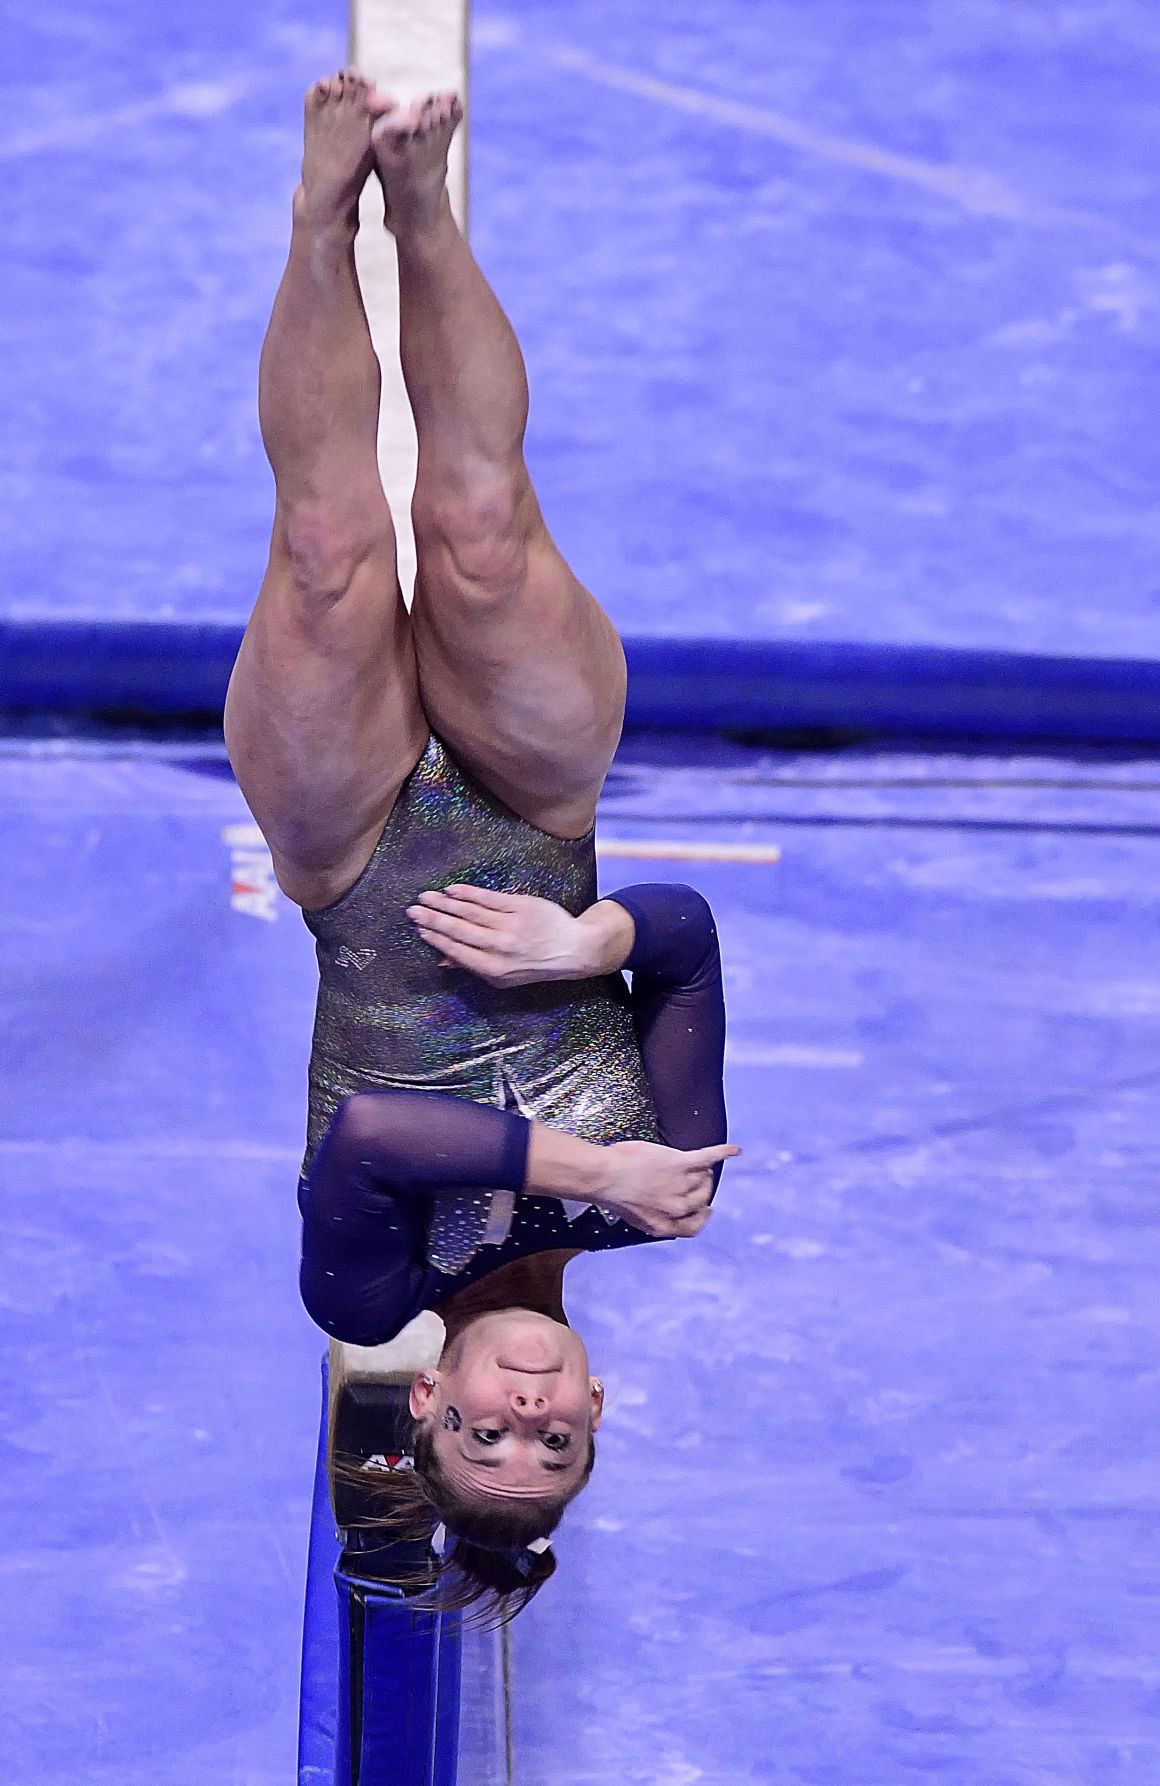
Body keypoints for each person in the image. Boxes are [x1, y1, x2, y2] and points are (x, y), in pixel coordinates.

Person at [224, 73, 735, 1617]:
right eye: (555, 1444)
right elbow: (691, 932)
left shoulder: (366, 1288)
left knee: (328, 555)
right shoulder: (676, 1191)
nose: (528, 1410)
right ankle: (427, 214)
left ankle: (322, 225)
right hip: (540, 807)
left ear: (426, 1411)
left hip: (348, 849)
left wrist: (598, 1163)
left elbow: (378, 1138)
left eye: (491, 1438)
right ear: (598, 1412)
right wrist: (599, 944)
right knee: (481, 520)